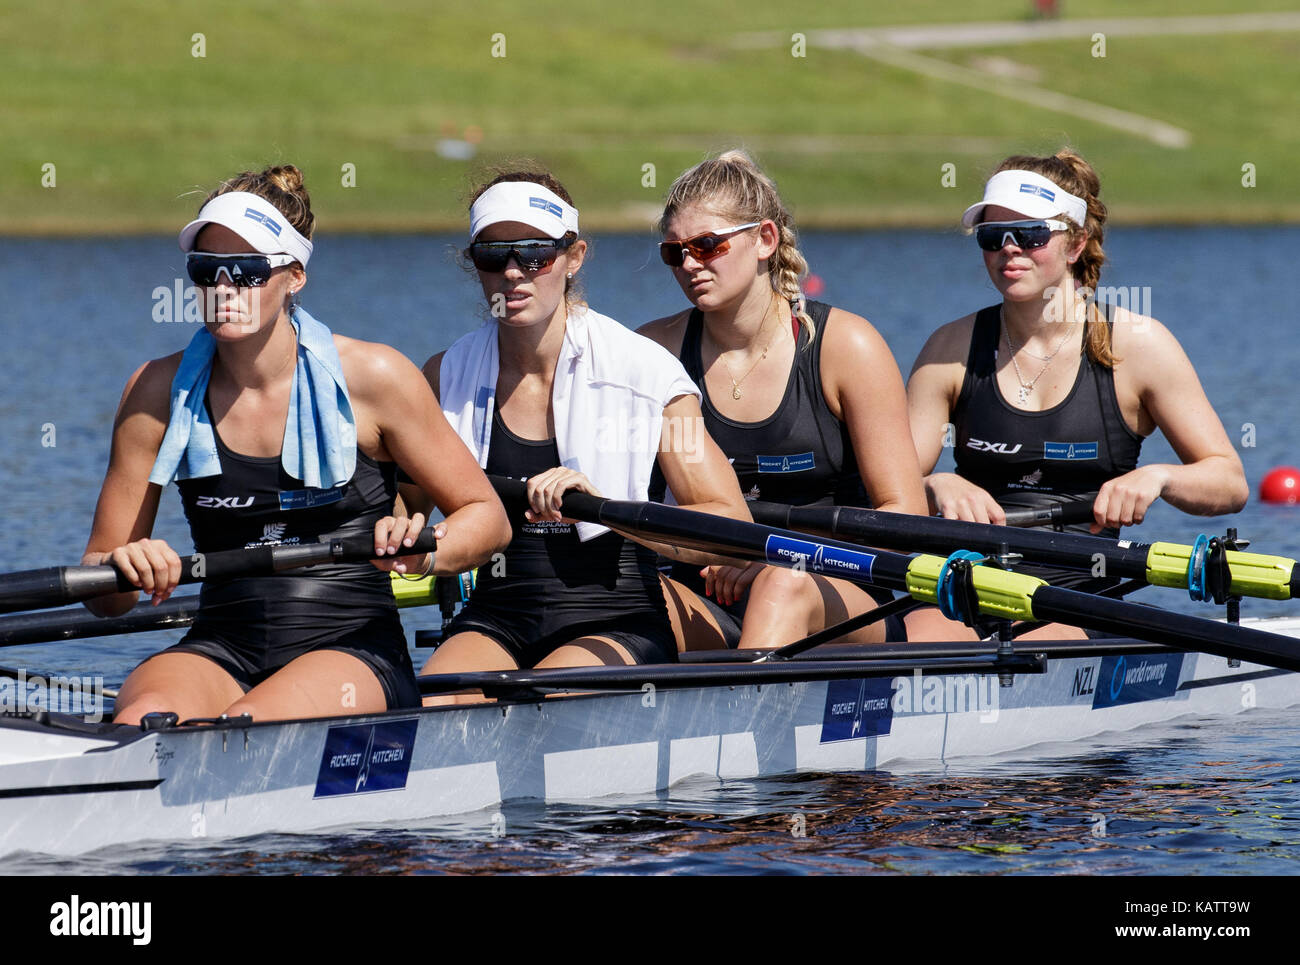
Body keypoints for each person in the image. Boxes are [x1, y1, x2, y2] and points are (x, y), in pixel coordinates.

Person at [84, 165, 510, 725]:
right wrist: (124, 564)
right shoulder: (156, 391)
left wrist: (426, 549)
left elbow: (488, 519)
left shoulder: (376, 378)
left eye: (247, 270)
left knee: (250, 725)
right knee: (145, 717)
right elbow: (102, 594)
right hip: (219, 643)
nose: (224, 288)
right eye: (206, 270)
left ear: (294, 275)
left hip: (351, 649)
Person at [408, 169, 748, 693]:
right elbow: (401, 516)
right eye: (494, 256)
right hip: (496, 618)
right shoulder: (443, 377)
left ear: (575, 257)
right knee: (428, 708)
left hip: (617, 622)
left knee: (541, 699)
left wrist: (609, 508)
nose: (514, 273)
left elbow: (730, 531)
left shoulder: (645, 373)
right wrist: (399, 539)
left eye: (536, 253)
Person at [907, 150, 1247, 636]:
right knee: (924, 635)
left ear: (1075, 243)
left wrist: (1158, 478)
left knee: (1046, 639)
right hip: (971, 580)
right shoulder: (950, 348)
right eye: (991, 236)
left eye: (1029, 234)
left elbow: (1230, 482)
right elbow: (886, 488)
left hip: (1084, 590)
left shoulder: (1140, 346)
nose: (1009, 249)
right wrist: (935, 484)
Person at [638, 151, 929, 651]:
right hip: (705, 587)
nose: (689, 264)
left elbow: (904, 517)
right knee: (617, 597)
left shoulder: (846, 347)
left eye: (707, 246)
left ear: (764, 240)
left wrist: (774, 555)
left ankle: (742, 716)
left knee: (781, 585)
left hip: (836, 590)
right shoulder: (653, 351)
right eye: (674, 252)